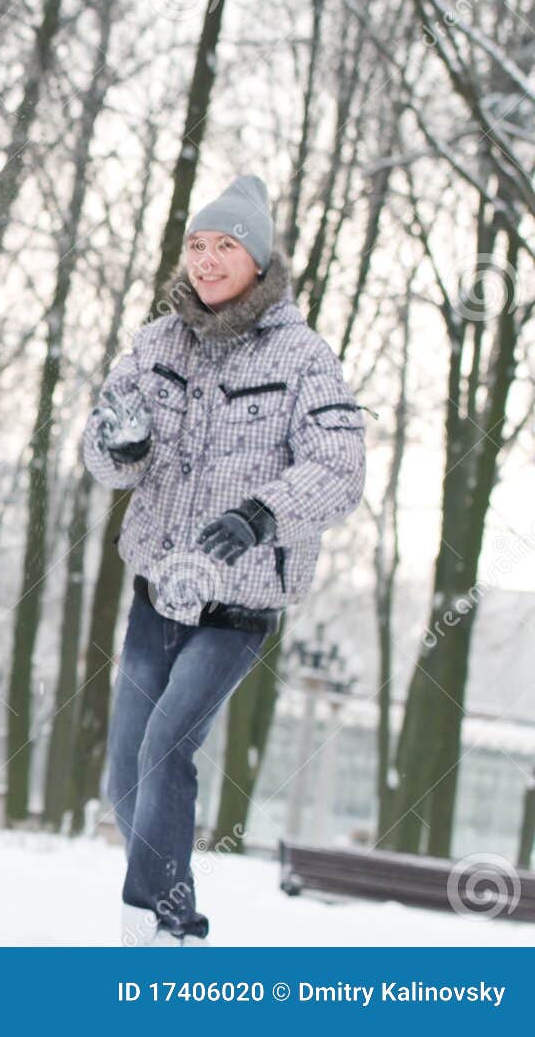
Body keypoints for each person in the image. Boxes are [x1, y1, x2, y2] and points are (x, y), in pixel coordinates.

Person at [82, 175, 366, 944]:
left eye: (225, 247)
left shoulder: (303, 357)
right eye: (197, 245)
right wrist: (121, 446)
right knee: (126, 777)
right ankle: (167, 915)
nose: (206, 260)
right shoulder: (157, 341)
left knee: (165, 745)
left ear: (258, 260)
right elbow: (102, 449)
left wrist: (261, 514)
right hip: (156, 587)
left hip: (238, 601)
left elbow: (341, 468)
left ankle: (161, 927)